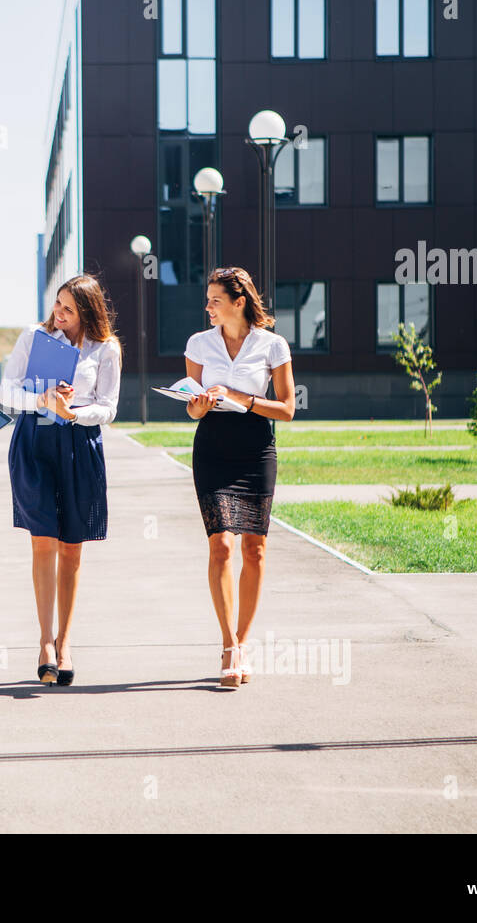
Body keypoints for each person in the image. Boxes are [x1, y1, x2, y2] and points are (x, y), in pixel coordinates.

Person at [0, 274, 121, 686]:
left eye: (69, 309)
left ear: (88, 312)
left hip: (78, 444)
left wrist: (75, 412)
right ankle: (44, 643)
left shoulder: (105, 348)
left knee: (72, 548)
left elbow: (108, 407)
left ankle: (65, 643)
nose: (60, 314)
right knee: (42, 542)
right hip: (35, 442)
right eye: (58, 305)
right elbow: (6, 392)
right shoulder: (34, 337)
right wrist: (42, 400)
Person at [183, 267, 296, 688]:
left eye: (215, 299)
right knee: (220, 548)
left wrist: (240, 399)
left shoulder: (272, 345)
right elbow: (191, 408)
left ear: (239, 302)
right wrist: (197, 403)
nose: (208, 306)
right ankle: (229, 645)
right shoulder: (199, 344)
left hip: (255, 449)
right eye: (208, 298)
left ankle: (243, 642)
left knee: (255, 549)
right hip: (211, 447)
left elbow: (286, 408)